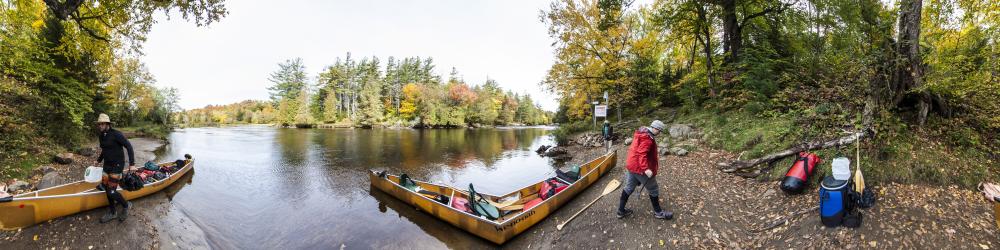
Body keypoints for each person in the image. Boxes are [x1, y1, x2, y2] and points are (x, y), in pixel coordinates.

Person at [616, 120, 673, 220]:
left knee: (629, 187)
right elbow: (641, 154)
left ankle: (620, 211)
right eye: (659, 131)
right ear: (655, 128)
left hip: (632, 165)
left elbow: (637, 151)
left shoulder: (641, 133)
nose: (659, 133)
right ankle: (658, 213)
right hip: (639, 168)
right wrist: (646, 169)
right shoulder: (647, 138)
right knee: (653, 189)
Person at [94, 113, 136, 223]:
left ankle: (126, 205)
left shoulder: (116, 134)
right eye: (99, 124)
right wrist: (98, 160)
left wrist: (132, 164)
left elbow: (129, 146)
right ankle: (113, 212)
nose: (100, 126)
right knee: (106, 189)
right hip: (107, 165)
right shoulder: (101, 135)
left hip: (117, 166)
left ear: (107, 124)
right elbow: (104, 150)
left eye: (102, 124)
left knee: (111, 192)